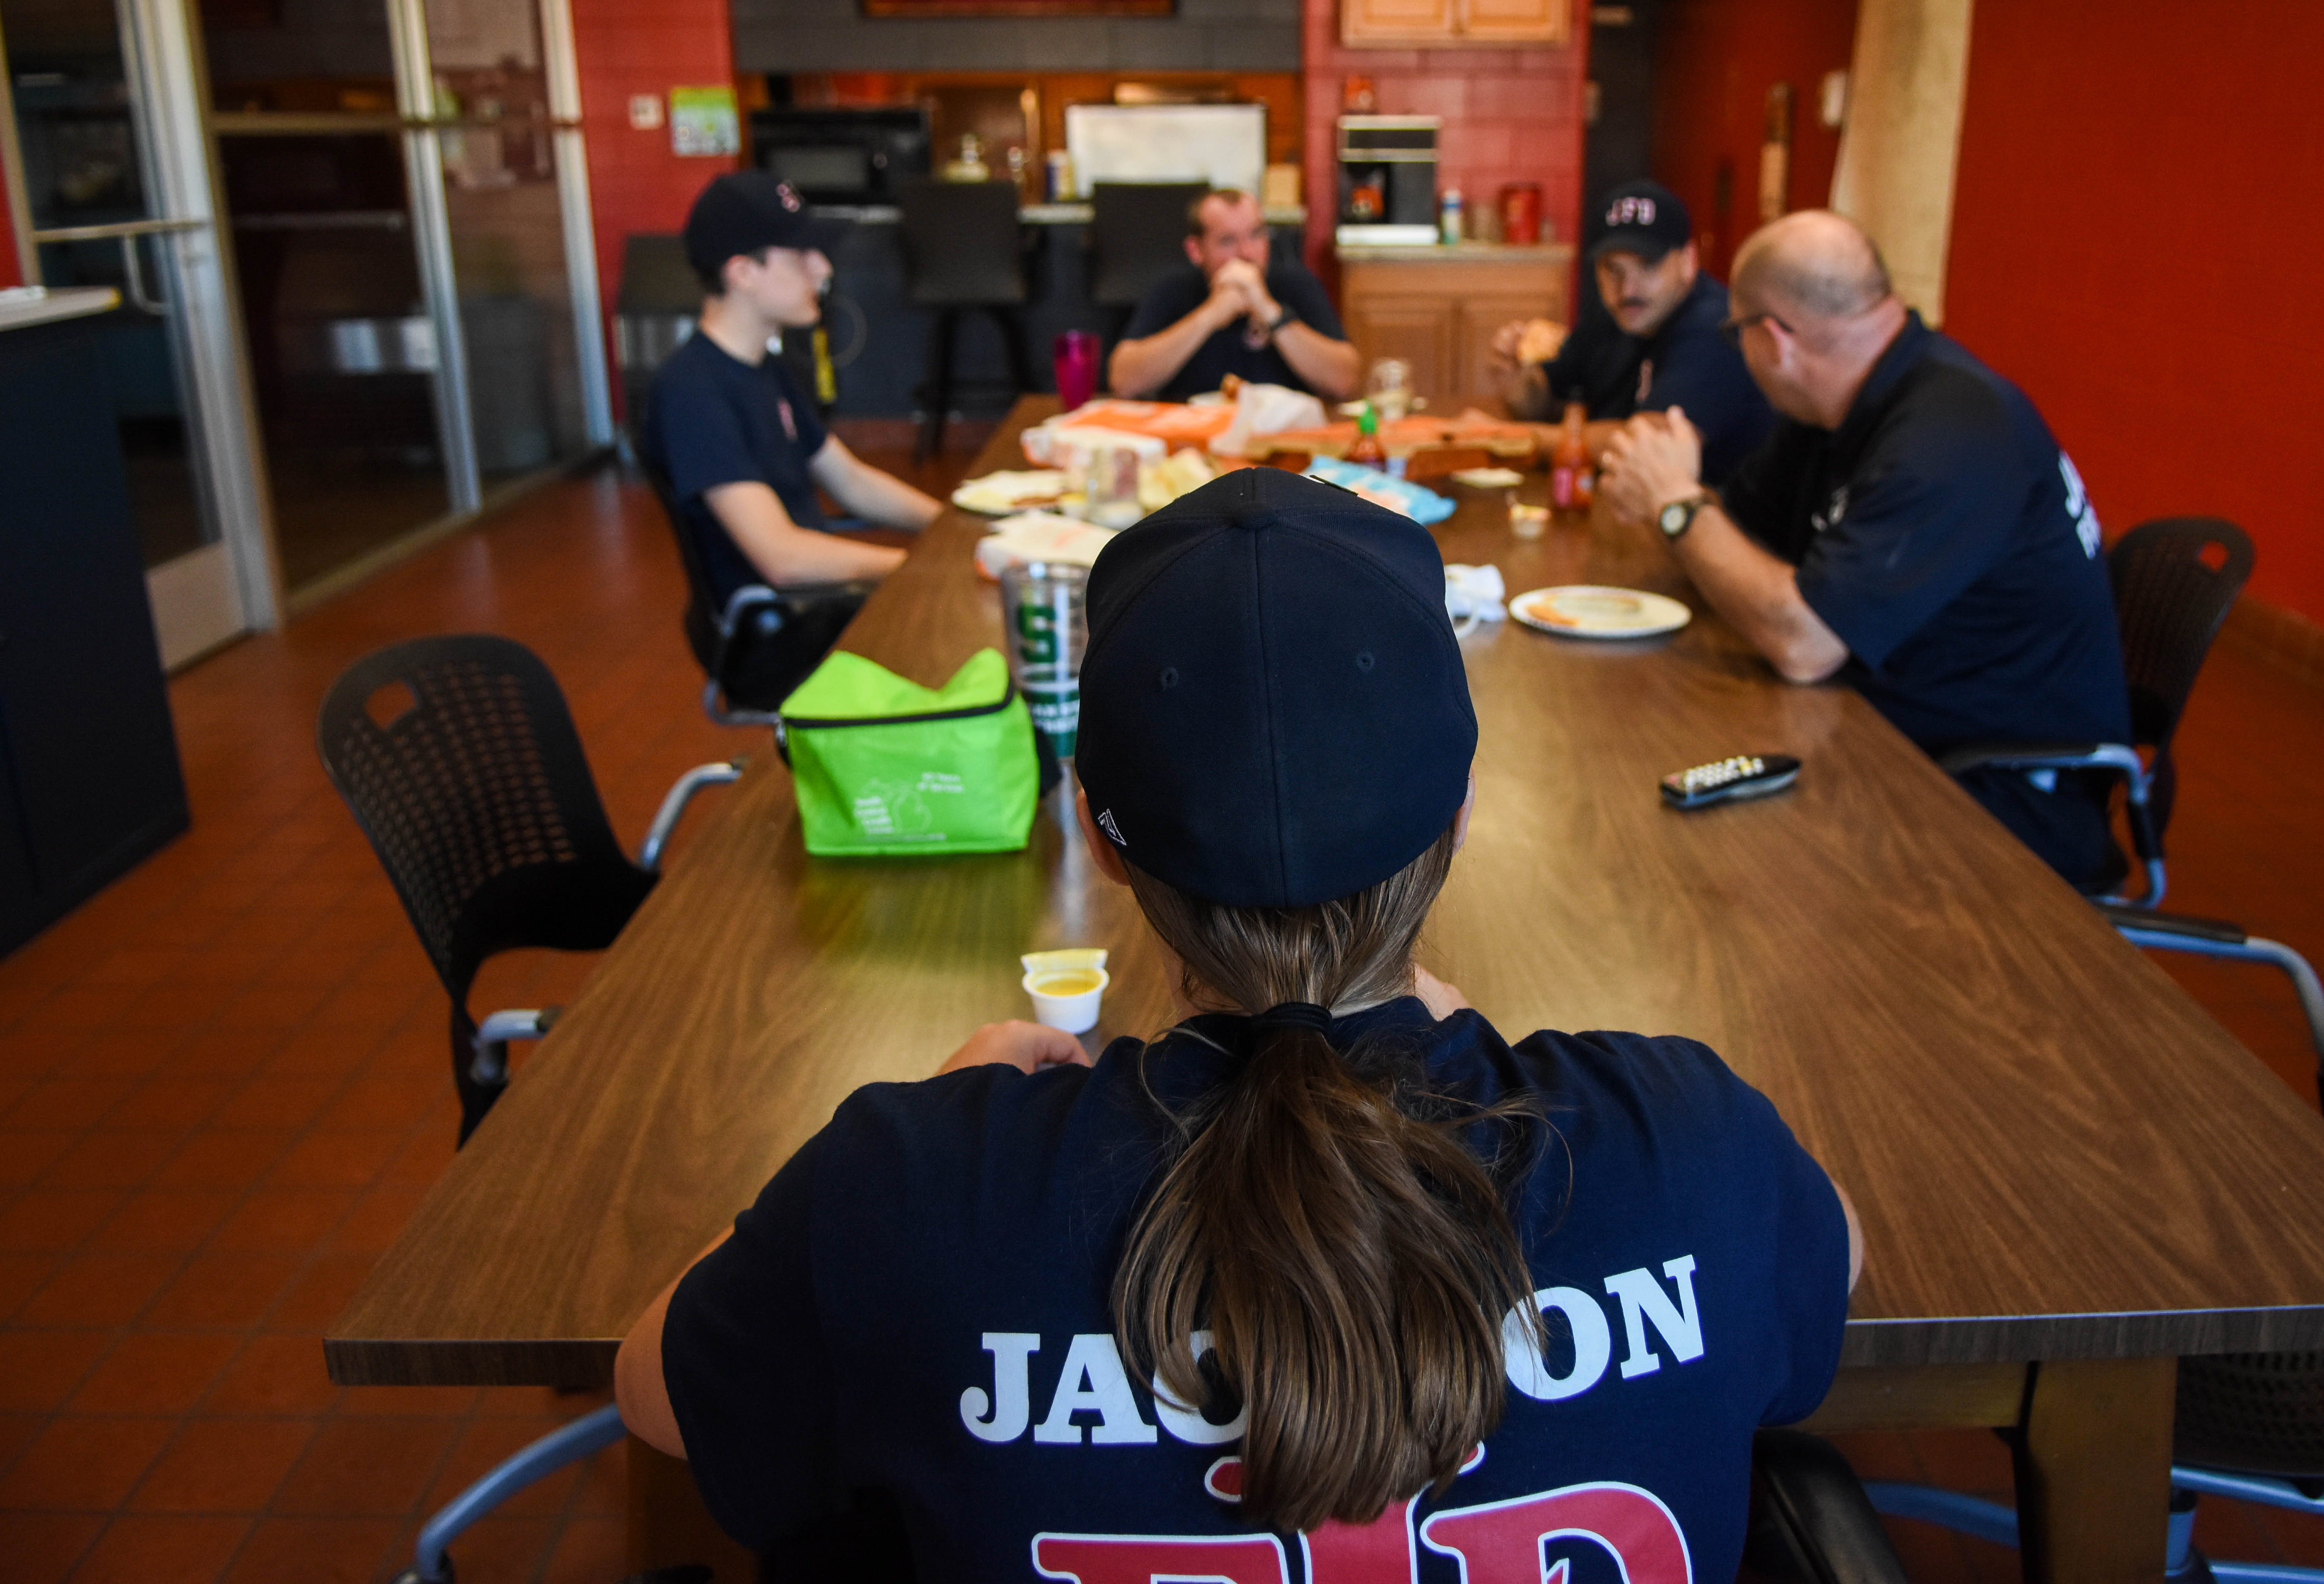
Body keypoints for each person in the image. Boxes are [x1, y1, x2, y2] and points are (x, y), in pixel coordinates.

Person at [612, 466, 1860, 1578]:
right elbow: (1835, 1258)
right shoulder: (1686, 1141)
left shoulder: (913, 1187)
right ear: (1464, 813)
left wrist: (938, 1111)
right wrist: (1466, 1046)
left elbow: (654, 1391)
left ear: (1100, 837)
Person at [1601, 209, 2131, 886]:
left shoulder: (1952, 431)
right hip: (1870, 729)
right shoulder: (1829, 410)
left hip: (1997, 798)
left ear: (1775, 339)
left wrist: (1676, 505)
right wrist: (1670, 495)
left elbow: (1804, 643)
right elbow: (1738, 531)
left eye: (1737, 335)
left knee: (1683, 873)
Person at [646, 171, 940, 614]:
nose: (823, 269)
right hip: (779, 626)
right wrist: (926, 567)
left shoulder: (766, 369)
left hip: (818, 600)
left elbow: (851, 481)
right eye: (802, 255)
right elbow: (783, 559)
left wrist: (953, 527)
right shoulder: (693, 393)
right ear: (743, 272)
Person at [1491, 180, 1775, 487]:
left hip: (1713, 518)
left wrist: (1504, 438)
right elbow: (1539, 401)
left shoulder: (1717, 328)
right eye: (1612, 269)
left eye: (1648, 266)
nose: (1627, 289)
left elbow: (1648, 445)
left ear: (1688, 261)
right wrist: (1519, 377)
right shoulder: (1612, 316)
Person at [1109, 188, 1361, 403]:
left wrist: (1270, 312)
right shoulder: (1174, 288)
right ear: (1196, 251)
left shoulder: (1296, 283)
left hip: (1279, 442)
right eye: (1228, 241)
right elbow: (1124, 382)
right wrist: (1211, 314)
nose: (1247, 253)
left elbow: (1345, 382)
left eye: (1256, 235)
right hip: (1194, 441)